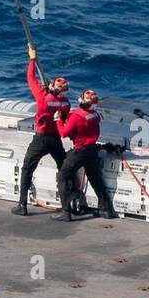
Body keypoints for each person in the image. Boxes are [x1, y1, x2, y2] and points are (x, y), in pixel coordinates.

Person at [11, 44, 71, 216]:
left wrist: (32, 59)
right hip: (55, 138)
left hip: (41, 138)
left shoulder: (42, 99)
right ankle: (69, 205)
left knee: (27, 169)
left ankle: (22, 205)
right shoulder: (66, 103)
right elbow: (63, 116)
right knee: (64, 168)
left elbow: (30, 77)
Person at [55, 89, 119, 222]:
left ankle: (65, 212)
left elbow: (63, 133)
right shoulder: (95, 115)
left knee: (63, 176)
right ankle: (106, 210)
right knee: (96, 180)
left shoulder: (76, 117)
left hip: (80, 152)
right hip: (92, 151)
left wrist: (58, 120)